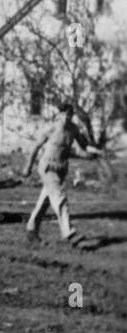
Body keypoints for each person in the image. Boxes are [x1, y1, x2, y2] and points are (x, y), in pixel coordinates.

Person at [24, 102, 101, 247]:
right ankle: (69, 233)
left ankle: (31, 230)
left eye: (70, 114)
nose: (67, 117)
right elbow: (35, 147)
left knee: (45, 201)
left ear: (72, 115)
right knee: (60, 198)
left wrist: (95, 153)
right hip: (47, 167)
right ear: (58, 115)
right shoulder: (51, 128)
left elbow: (83, 147)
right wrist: (27, 167)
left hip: (61, 169)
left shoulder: (73, 129)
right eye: (64, 115)